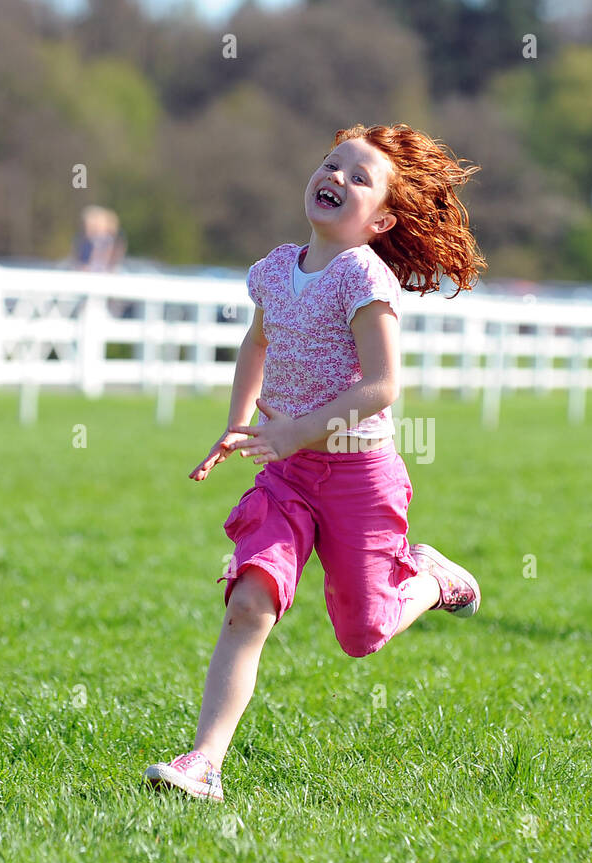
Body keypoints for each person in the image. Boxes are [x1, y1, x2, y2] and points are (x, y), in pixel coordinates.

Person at [145, 123, 487, 802]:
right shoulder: (274, 269)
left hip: (360, 476)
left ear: (383, 217)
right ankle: (204, 764)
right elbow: (257, 344)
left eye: (360, 178)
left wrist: (297, 429)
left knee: (364, 634)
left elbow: (384, 385)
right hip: (287, 475)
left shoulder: (363, 276)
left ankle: (432, 575)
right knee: (249, 601)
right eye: (332, 165)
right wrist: (239, 421)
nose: (336, 178)